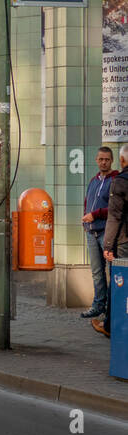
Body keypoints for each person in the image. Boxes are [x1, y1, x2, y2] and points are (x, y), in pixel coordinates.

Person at [81, 146, 117, 327]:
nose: (103, 162)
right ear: (96, 160)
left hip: (106, 232)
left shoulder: (115, 180)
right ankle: (98, 305)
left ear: (112, 161)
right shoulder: (93, 180)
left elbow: (113, 207)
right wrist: (86, 222)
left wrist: (95, 215)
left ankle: (110, 309)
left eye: (107, 159)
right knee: (97, 273)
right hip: (91, 232)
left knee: (111, 272)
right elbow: (87, 201)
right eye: (101, 159)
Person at [97, 144, 128, 337]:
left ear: (122, 161)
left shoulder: (120, 181)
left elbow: (115, 216)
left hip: (124, 241)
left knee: (119, 285)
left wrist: (108, 246)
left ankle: (112, 327)